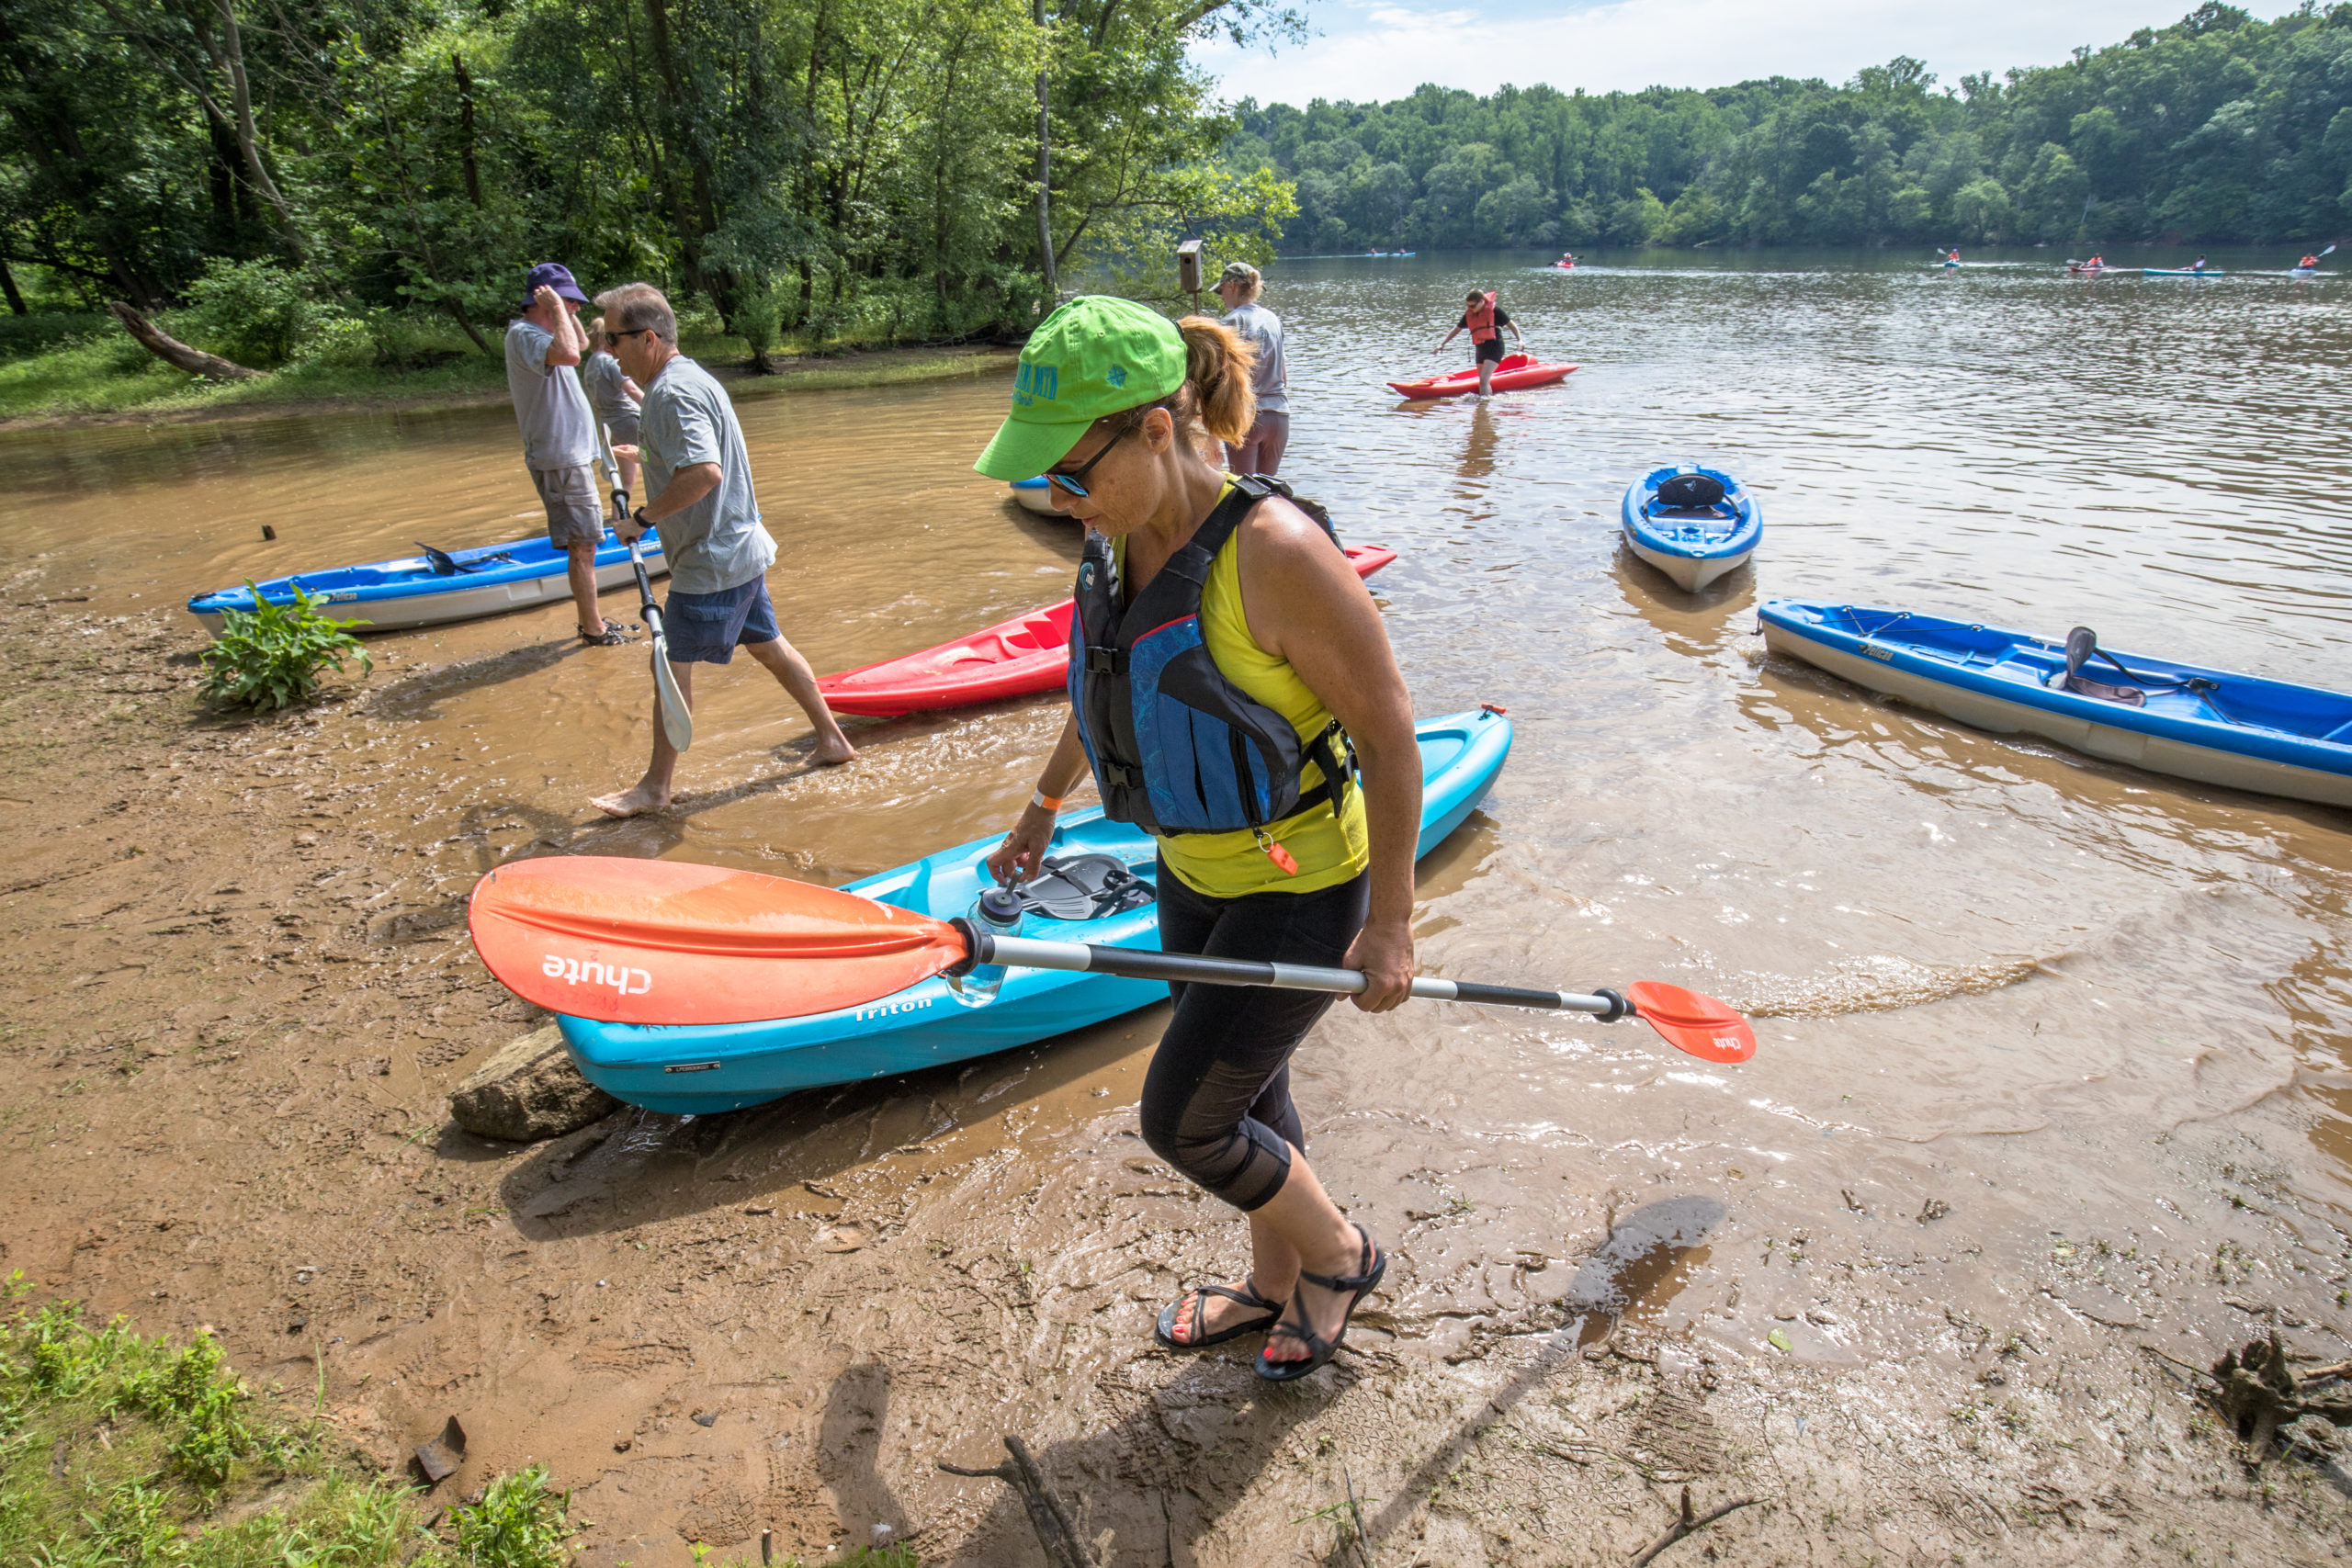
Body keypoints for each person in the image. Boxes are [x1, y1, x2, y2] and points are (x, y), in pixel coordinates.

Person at [974, 297, 1420, 1382]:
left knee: (1182, 1119)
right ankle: (1274, 1285)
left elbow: (1391, 731)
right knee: (1248, 1094)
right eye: (1041, 481)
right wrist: (1040, 809)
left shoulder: (1274, 553)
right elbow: (1105, 690)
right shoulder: (1111, 546)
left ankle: (1338, 1255)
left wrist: (1395, 925)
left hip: (1305, 884)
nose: (1056, 500)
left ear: (1157, 430)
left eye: (1071, 475)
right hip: (1191, 871)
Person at [592, 282, 854, 817]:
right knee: (770, 646)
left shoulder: (672, 393)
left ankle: (655, 788)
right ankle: (833, 741)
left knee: (670, 662)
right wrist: (646, 441)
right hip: (741, 546)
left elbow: (705, 471)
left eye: (614, 339)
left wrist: (640, 519)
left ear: (647, 337)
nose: (607, 350)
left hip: (712, 560)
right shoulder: (685, 378)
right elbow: (691, 443)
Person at [506, 264, 631, 645]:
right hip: (559, 458)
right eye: (570, 303)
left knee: (587, 542)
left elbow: (576, 345)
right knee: (583, 545)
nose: (576, 310)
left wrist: (562, 308)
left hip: (571, 456)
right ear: (545, 302)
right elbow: (570, 354)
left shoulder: (543, 334)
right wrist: (559, 308)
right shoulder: (525, 335)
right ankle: (593, 630)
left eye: (576, 304)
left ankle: (591, 624)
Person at [1215, 261, 1288, 476]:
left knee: (1245, 491)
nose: (1221, 296)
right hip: (1280, 416)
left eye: (1221, 290)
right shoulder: (1273, 319)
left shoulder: (1231, 321)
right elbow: (1283, 375)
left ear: (1232, 286)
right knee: (1268, 491)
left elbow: (1219, 377)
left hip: (1247, 416)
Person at [583, 317, 646, 513]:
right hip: (627, 420)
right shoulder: (609, 363)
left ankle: (619, 517)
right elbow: (632, 390)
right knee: (655, 464)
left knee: (624, 478)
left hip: (607, 426)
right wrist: (655, 407)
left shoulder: (590, 365)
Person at [1432, 288, 1524, 398]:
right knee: (1482, 380)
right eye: (1468, 306)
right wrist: (1442, 344)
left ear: (1481, 302)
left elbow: (1512, 325)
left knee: (1484, 379)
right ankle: (1485, 404)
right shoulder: (1470, 314)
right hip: (1480, 349)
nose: (1470, 308)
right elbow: (1456, 330)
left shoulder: (1495, 311)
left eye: (1472, 306)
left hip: (1495, 348)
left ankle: (1484, 408)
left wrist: (1520, 340)